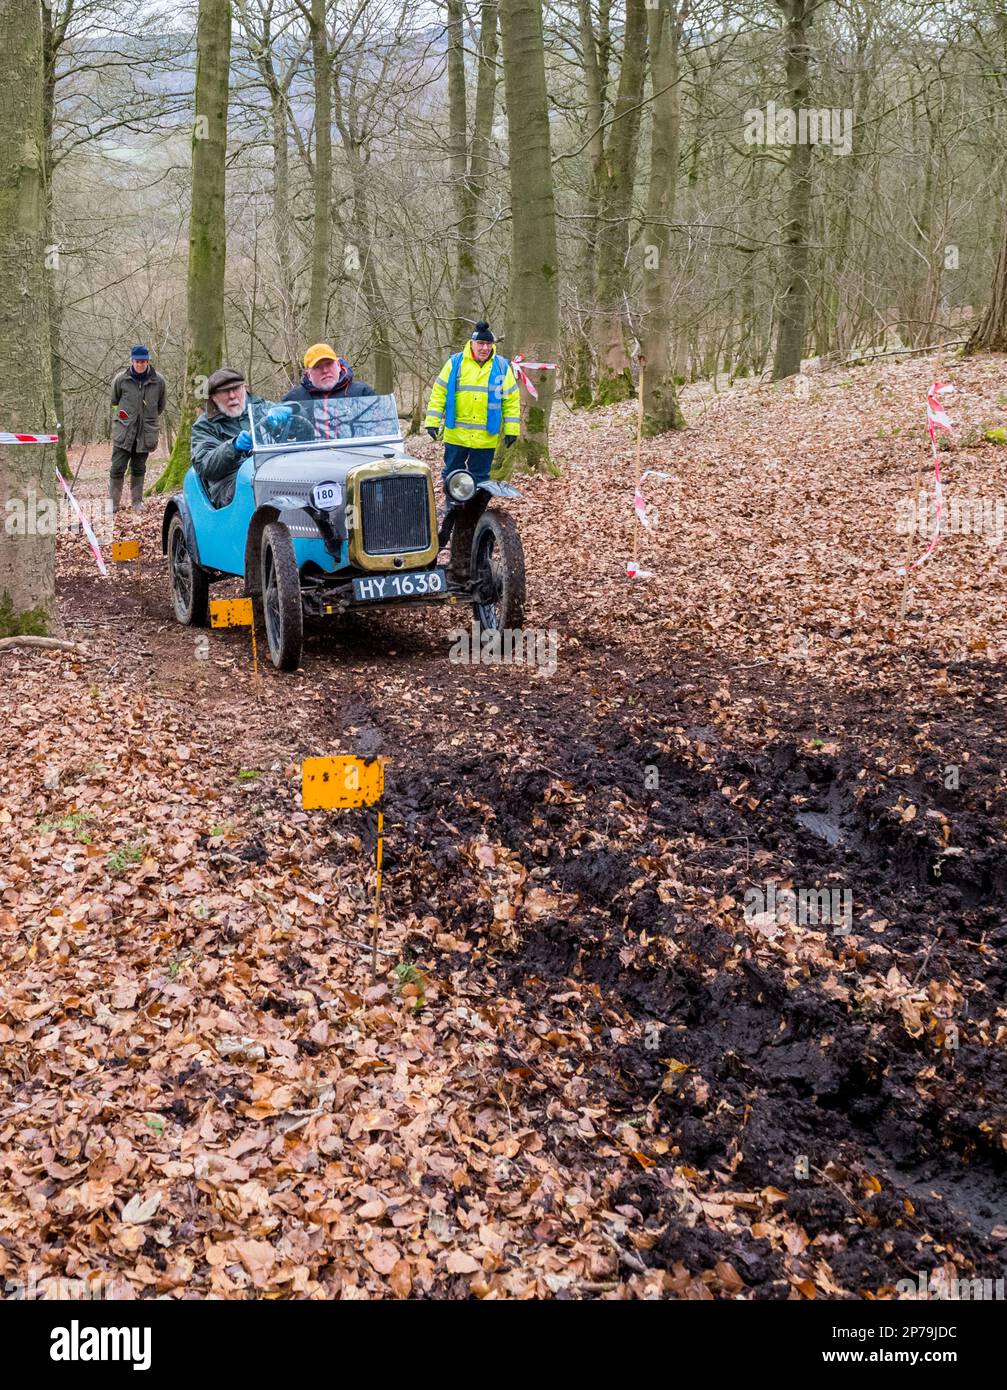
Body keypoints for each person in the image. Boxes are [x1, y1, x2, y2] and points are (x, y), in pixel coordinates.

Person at [423, 322, 520, 493]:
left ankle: (474, 516)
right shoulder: (455, 363)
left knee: (481, 479)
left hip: (486, 436)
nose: (485, 348)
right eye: (481, 344)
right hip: (456, 435)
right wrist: (432, 421)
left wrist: (512, 430)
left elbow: (511, 399)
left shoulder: (502, 367)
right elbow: (439, 393)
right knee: (452, 475)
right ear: (471, 343)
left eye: (489, 344)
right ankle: (451, 511)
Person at [190, 368, 293, 508]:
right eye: (225, 391)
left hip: (271, 470)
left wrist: (293, 409)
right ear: (213, 397)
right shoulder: (205, 425)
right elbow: (204, 465)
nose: (232, 396)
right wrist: (233, 447)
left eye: (236, 389)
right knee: (256, 486)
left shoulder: (263, 408)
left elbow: (302, 425)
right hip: (229, 483)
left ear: (244, 388)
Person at [110, 345, 167, 513]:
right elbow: (114, 402)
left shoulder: (159, 381)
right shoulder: (121, 380)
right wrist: (123, 418)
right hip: (124, 432)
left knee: (139, 468)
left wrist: (146, 419)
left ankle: (137, 503)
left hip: (146, 433)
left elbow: (160, 406)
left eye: (143, 361)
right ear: (131, 361)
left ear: (148, 361)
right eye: (137, 361)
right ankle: (113, 504)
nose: (140, 365)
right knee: (117, 468)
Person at [283, 344, 376, 436]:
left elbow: (379, 429)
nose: (325, 370)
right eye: (317, 367)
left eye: (329, 364)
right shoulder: (293, 399)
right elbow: (280, 436)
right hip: (310, 451)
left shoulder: (362, 393)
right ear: (308, 374)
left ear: (338, 366)